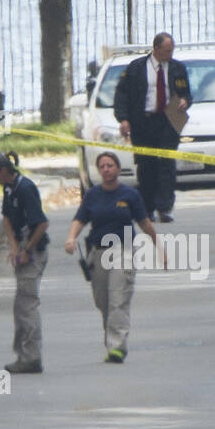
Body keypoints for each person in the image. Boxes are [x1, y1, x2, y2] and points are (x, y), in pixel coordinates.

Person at [64, 151, 163, 363]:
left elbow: (144, 223)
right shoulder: (92, 195)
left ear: (118, 169)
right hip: (98, 252)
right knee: (103, 301)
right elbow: (80, 219)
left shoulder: (130, 195)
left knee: (118, 298)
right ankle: (112, 341)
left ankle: (117, 346)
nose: (106, 169)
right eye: (102, 166)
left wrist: (159, 248)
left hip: (123, 250)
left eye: (110, 165)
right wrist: (71, 238)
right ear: (99, 171)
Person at [113, 32, 192, 222]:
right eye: (166, 51)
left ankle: (165, 208)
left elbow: (187, 94)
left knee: (167, 165)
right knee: (146, 166)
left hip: (168, 121)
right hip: (143, 122)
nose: (170, 54)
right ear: (155, 49)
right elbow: (121, 95)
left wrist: (184, 101)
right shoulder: (136, 68)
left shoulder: (177, 68)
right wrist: (123, 119)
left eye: (172, 50)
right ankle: (147, 208)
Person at [0, 151, 49, 374]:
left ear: (3, 170)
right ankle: (24, 354)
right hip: (21, 247)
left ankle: (32, 358)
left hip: (34, 250)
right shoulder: (9, 188)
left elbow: (41, 224)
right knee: (20, 307)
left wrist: (26, 249)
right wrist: (13, 246)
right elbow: (7, 219)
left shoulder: (25, 188)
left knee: (27, 306)